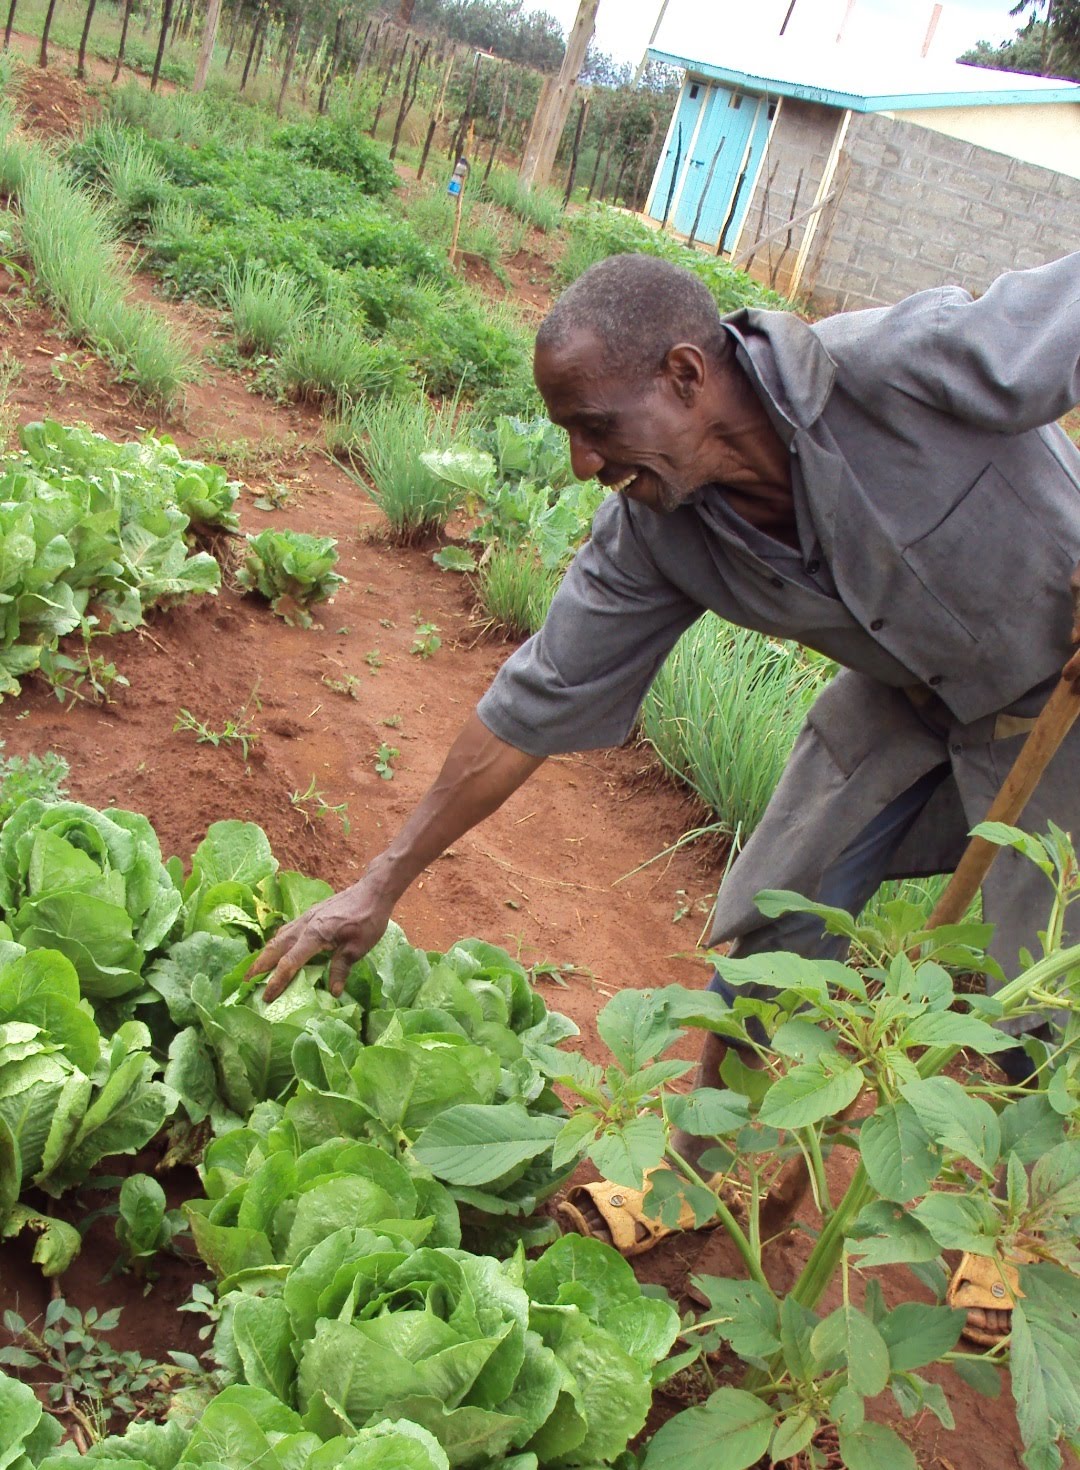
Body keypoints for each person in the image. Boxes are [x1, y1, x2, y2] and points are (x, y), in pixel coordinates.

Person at [252, 251, 1080, 1329]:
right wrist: (381, 882)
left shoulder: (901, 368)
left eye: (594, 424)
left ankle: (1016, 1220)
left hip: (1060, 698)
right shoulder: (658, 529)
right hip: (899, 697)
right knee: (770, 918)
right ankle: (698, 1171)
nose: (580, 461)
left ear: (688, 375)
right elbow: (533, 700)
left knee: (1039, 984)